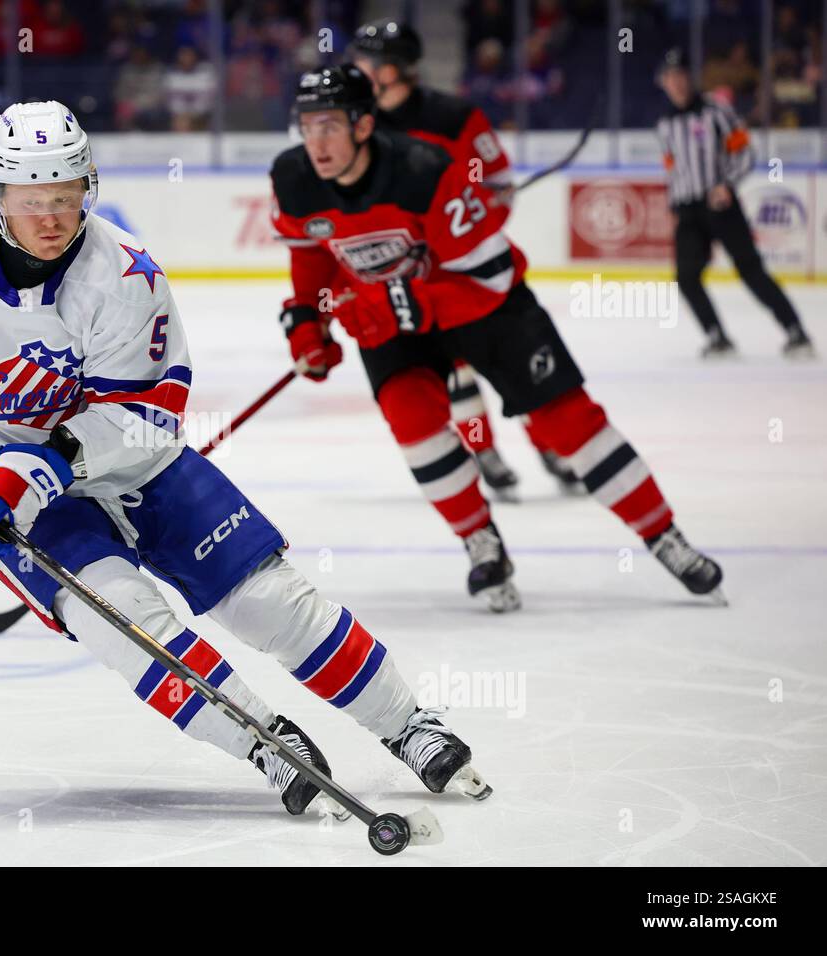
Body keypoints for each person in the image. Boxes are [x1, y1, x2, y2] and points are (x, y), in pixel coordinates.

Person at [0, 100, 492, 815]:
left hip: (136, 467)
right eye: (32, 200)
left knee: (269, 601)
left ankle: (410, 726)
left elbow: (144, 413)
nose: (51, 219)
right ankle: (264, 742)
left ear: (87, 188)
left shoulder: (123, 272)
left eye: (66, 198)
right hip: (10, 491)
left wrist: (40, 467)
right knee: (122, 622)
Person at [271, 65, 726, 611]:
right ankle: (481, 543)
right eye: (307, 127)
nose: (315, 143)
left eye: (329, 127)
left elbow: (491, 277)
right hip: (395, 317)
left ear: (364, 125)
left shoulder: (423, 171)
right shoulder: (293, 179)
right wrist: (305, 320)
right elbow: (310, 253)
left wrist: (406, 300)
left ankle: (664, 536)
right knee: (412, 422)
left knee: (568, 421)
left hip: (482, 305)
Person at [350, 20, 581, 498]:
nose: (356, 70)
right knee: (456, 370)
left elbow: (496, 186)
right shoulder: (363, 126)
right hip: (414, 282)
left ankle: (550, 444)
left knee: (512, 365)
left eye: (366, 63)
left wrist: (462, 227)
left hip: (468, 275)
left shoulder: (452, 118)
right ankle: (486, 450)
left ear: (393, 70)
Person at [656, 47, 814, 359]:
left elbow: (744, 153)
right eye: (671, 77)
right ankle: (717, 337)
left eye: (682, 76)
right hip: (687, 209)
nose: (677, 83)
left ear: (691, 78)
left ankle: (796, 331)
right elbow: (673, 168)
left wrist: (726, 185)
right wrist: (674, 206)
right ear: (663, 82)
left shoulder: (717, 111)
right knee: (686, 277)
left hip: (720, 204)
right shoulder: (664, 125)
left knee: (750, 270)